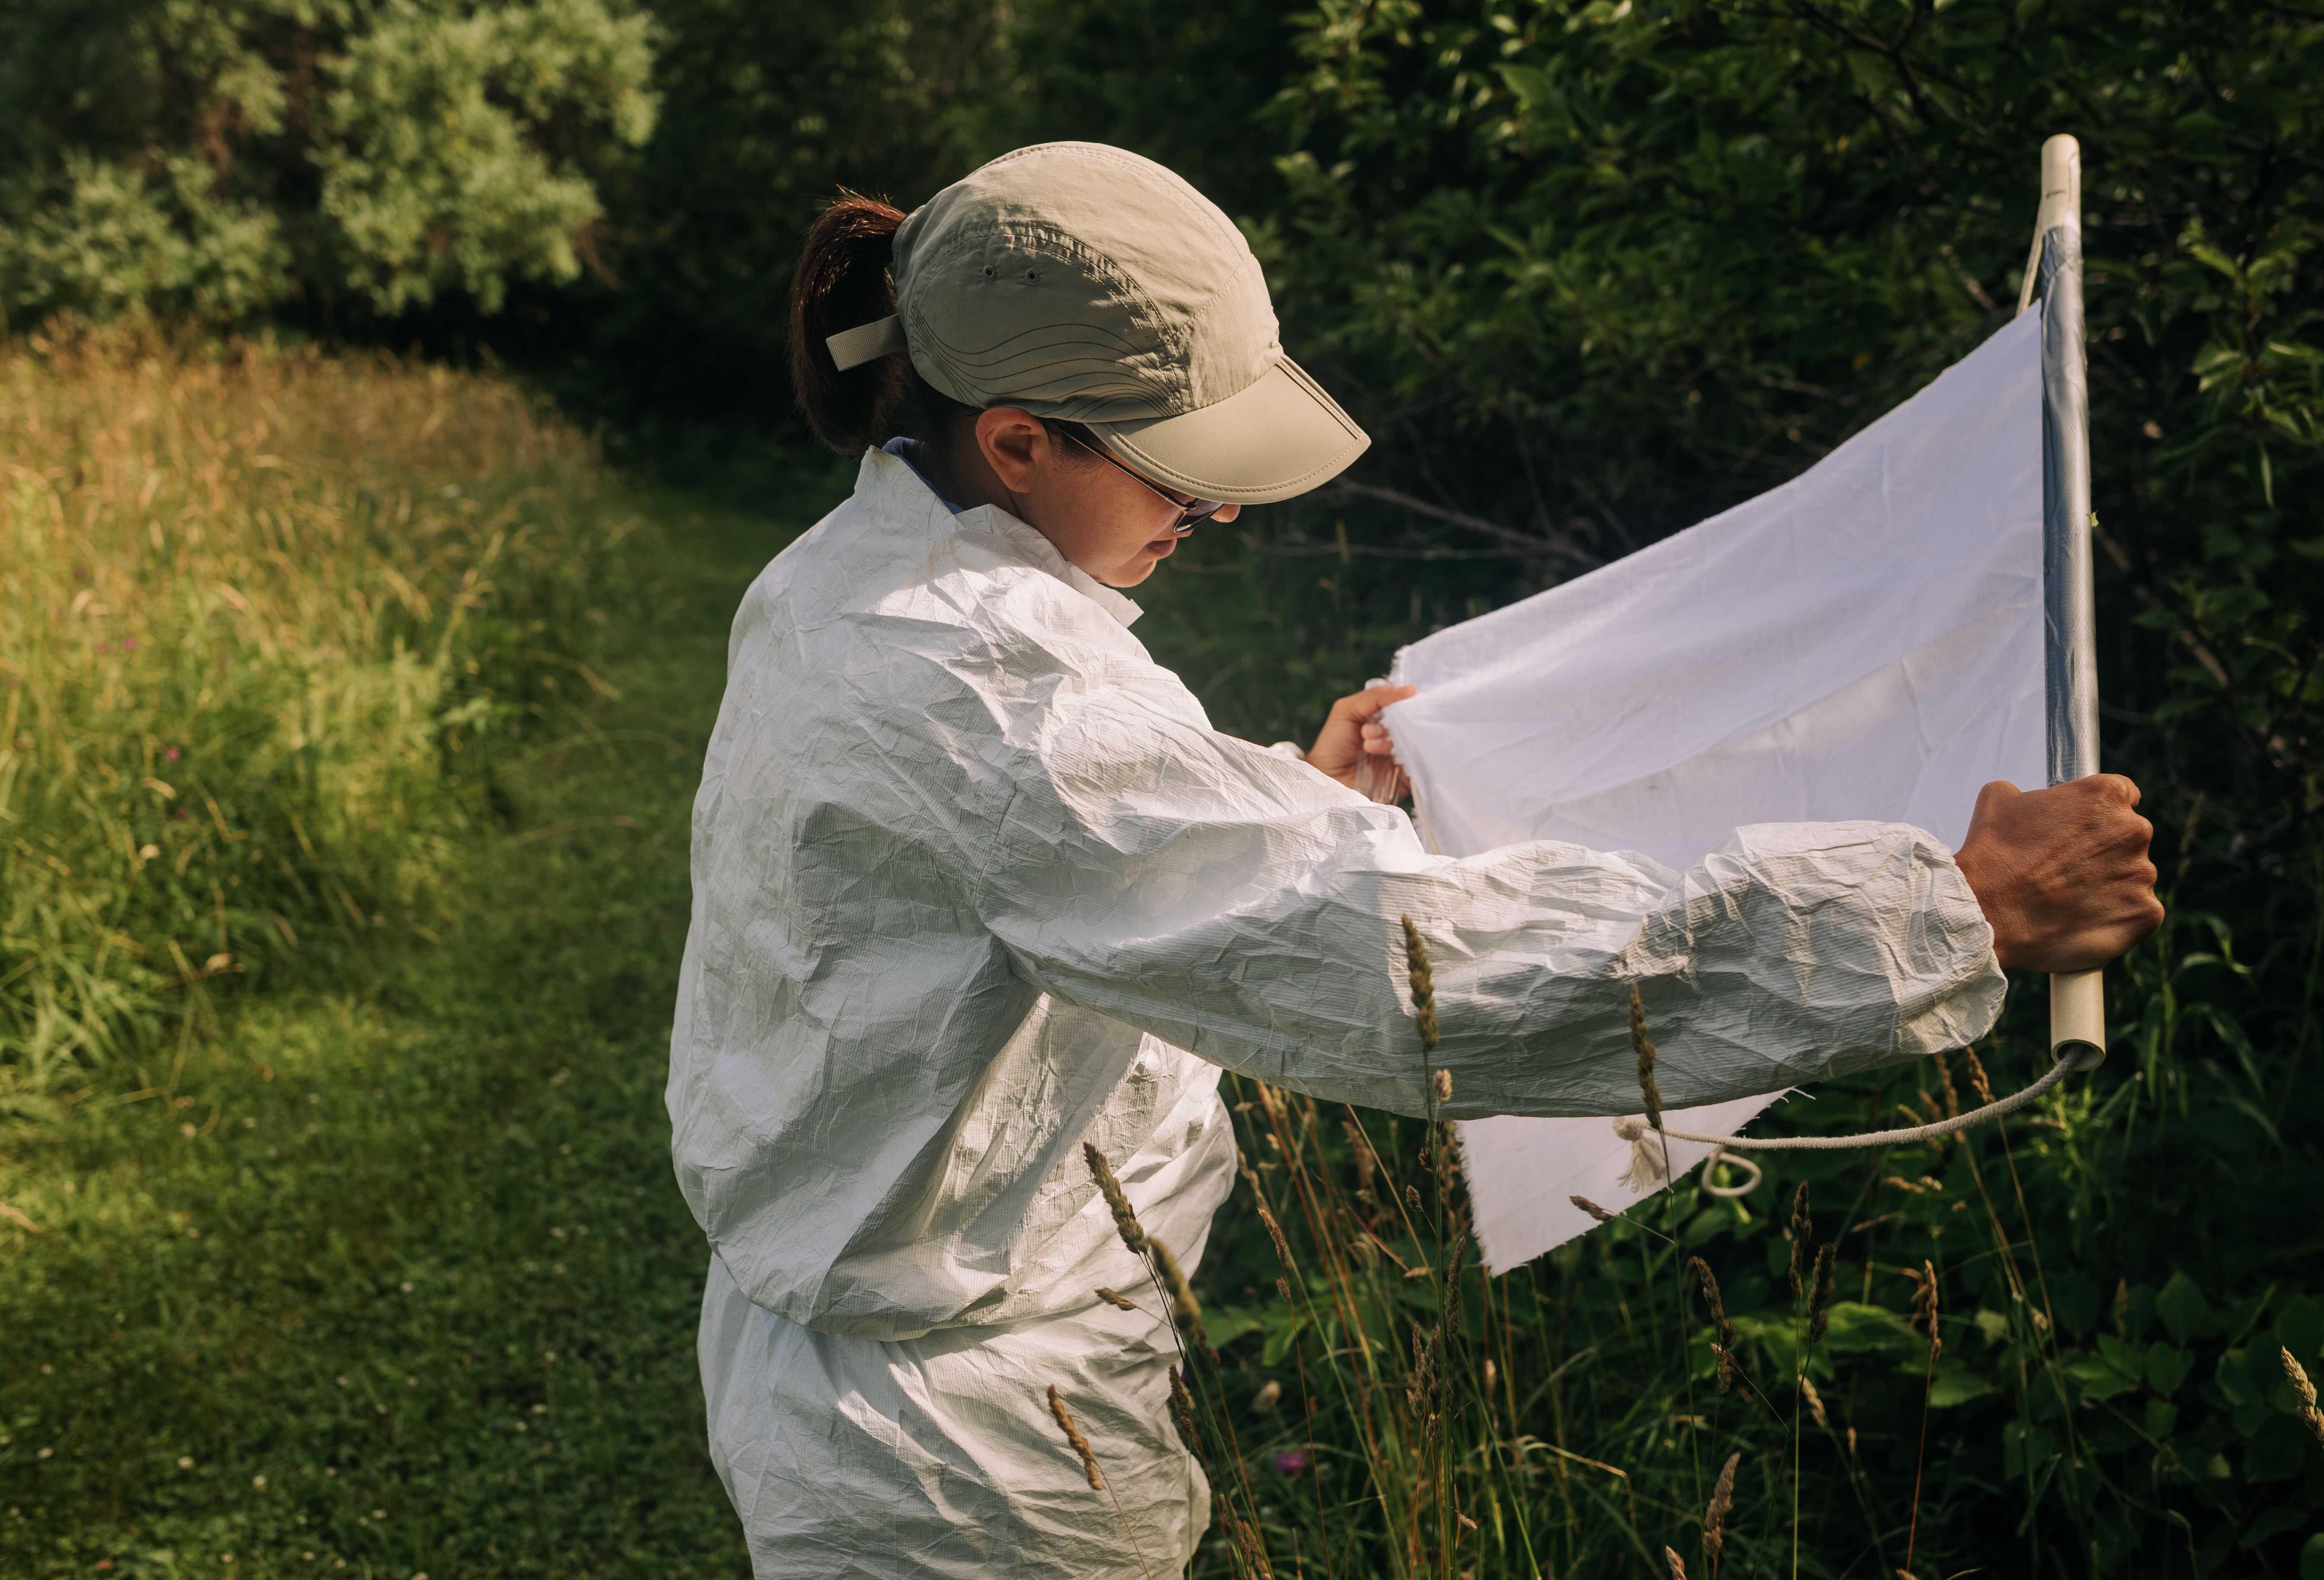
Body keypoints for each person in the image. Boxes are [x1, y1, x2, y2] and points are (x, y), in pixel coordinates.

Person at [666, 141, 2162, 1579]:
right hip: (962, 1465)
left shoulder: (853, 579)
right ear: (1017, 442)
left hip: (900, 1376)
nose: (1222, 508)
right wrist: (1944, 909)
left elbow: (1029, 870)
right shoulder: (995, 688)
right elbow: (1411, 973)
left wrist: (1268, 798)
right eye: (1179, 470)